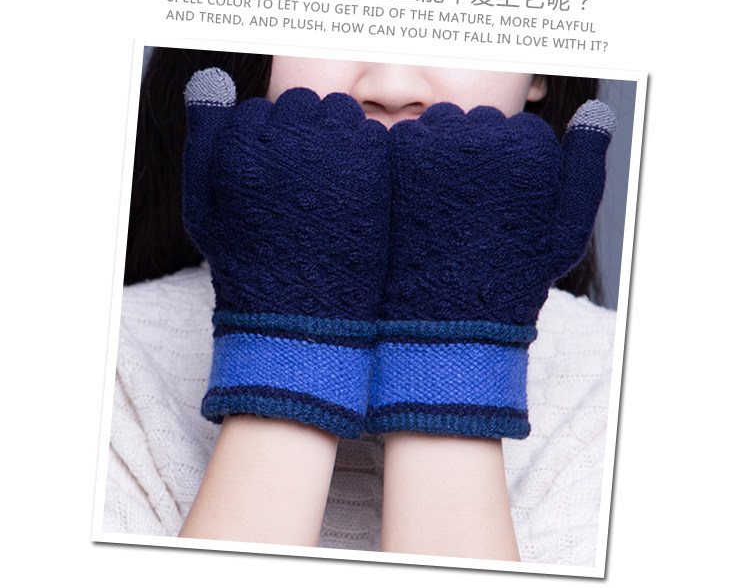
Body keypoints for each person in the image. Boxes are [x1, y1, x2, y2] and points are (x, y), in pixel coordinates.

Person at [104, 47, 617, 567]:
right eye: (331, 23)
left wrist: (454, 350)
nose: (392, 89)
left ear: (542, 69)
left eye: (458, 32)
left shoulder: (616, 378)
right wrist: (287, 338)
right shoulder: (111, 352)